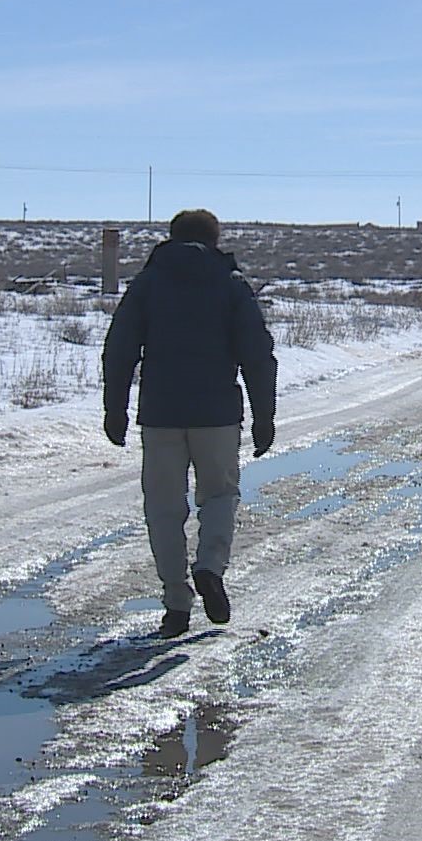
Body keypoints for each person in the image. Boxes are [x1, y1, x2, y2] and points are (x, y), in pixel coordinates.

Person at [103, 209, 277, 639]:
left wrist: (115, 408)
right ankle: (210, 567)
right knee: (219, 495)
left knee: (163, 508)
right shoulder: (230, 285)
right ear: (216, 240)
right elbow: (258, 356)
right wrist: (264, 416)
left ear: (170, 238)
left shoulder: (149, 284)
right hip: (217, 415)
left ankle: (176, 603)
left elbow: (120, 348)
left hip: (161, 414)